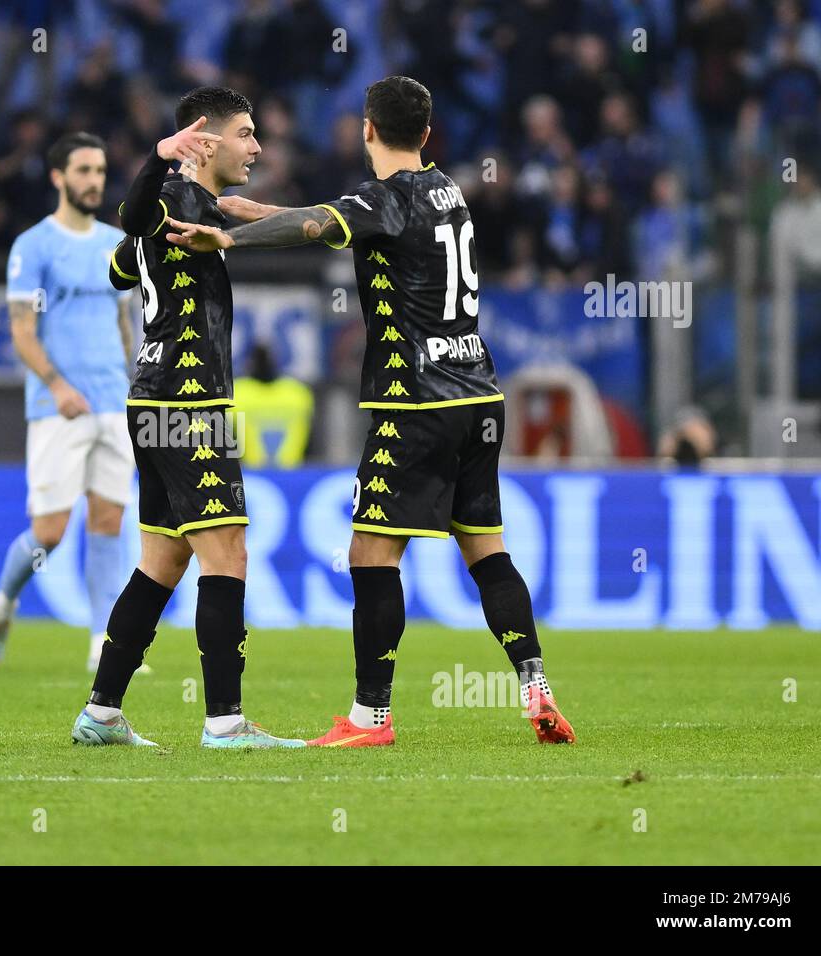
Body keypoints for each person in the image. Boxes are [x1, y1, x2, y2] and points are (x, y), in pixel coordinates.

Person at [167, 76, 576, 746]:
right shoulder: (446, 191)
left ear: (365, 130)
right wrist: (246, 211)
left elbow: (324, 221)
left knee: (370, 553)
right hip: (478, 394)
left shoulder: (383, 198)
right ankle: (535, 685)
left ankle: (370, 718)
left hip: (416, 400)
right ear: (427, 134)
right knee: (487, 552)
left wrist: (230, 241)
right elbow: (337, 214)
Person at [74, 87, 302, 749]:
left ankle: (103, 714)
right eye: (246, 133)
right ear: (205, 140)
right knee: (226, 554)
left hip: (154, 394)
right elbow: (137, 213)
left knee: (162, 562)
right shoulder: (174, 197)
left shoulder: (195, 206)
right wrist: (157, 162)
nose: (257, 147)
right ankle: (225, 724)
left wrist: (231, 215)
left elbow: (123, 265)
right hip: (189, 398)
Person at [0, 132, 140, 673]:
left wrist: (135, 383)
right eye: (83, 171)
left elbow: (124, 324)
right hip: (58, 406)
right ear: (58, 177)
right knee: (50, 532)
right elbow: (21, 331)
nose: (94, 180)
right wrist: (57, 385)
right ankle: (4, 600)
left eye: (99, 170)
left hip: (113, 403)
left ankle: (103, 641)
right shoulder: (33, 245)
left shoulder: (116, 242)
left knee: (108, 522)